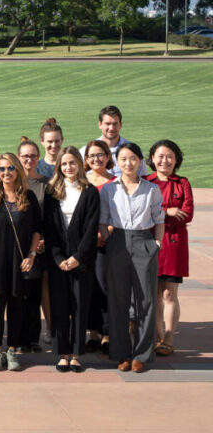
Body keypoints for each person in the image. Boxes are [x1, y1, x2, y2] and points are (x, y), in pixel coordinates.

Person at [100, 142, 164, 372]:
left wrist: (156, 244)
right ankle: (121, 354)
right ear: (117, 161)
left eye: (132, 159)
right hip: (117, 241)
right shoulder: (109, 189)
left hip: (144, 241)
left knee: (146, 300)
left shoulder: (151, 189)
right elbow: (104, 220)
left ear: (140, 161)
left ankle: (142, 354)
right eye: (123, 159)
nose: (128, 163)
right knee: (118, 300)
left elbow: (159, 219)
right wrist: (108, 241)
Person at [0, 153, 42, 372]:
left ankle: (12, 349)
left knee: (16, 306)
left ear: (17, 171)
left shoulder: (29, 197)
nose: (6, 172)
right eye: (2, 169)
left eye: (11, 168)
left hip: (19, 259)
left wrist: (32, 255)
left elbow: (36, 229)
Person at [43, 147, 100, 373]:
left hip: (82, 260)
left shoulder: (90, 192)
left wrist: (77, 257)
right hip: (57, 260)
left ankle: (75, 353)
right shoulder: (51, 191)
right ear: (59, 166)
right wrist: (58, 257)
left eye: (72, 163)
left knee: (79, 306)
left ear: (80, 164)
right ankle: (62, 353)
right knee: (59, 307)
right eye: (64, 164)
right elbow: (49, 227)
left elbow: (90, 229)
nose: (68, 168)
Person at [146, 139, 192, 357]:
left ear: (176, 160)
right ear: (152, 159)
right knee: (154, 293)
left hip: (174, 244)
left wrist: (161, 212)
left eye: (169, 156)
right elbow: (142, 212)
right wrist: (168, 211)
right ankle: (156, 337)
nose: (165, 160)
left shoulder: (182, 183)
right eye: (160, 156)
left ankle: (169, 337)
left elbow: (187, 213)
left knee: (169, 293)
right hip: (151, 243)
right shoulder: (146, 181)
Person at [83, 139, 115, 353]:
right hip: (83, 244)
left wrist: (102, 235)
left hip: (105, 243)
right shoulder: (81, 180)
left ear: (108, 157)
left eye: (100, 154)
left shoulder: (115, 183)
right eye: (92, 155)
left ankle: (107, 334)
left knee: (104, 287)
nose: (96, 159)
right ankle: (91, 333)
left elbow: (117, 215)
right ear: (86, 159)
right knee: (88, 288)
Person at [18, 136, 48, 353]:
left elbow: (51, 217)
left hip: (39, 247)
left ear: (38, 158)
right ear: (19, 158)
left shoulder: (46, 184)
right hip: (16, 246)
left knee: (34, 293)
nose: (29, 160)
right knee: (17, 293)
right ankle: (18, 338)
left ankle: (33, 338)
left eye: (33, 156)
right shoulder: (11, 182)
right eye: (25, 156)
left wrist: (44, 240)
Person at [82, 105, 148, 177]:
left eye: (115, 124)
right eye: (108, 124)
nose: (111, 128)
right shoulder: (86, 152)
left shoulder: (133, 151)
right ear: (100, 124)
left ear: (120, 125)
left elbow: (143, 179)